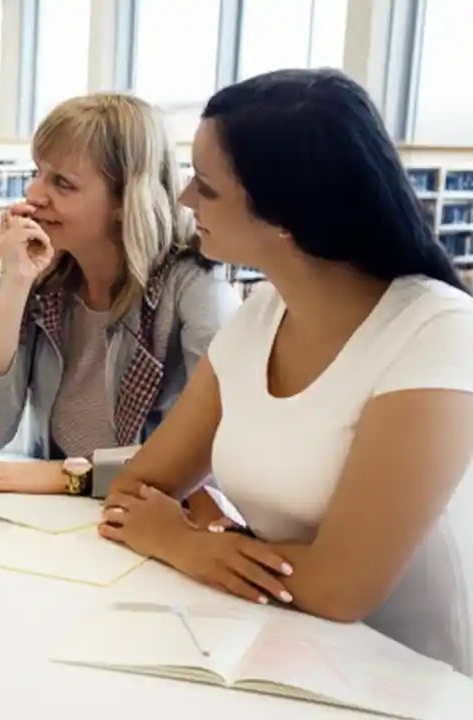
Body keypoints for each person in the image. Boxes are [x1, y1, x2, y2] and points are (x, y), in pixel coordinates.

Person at [98, 69, 473, 675]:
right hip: (284, 649)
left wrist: (186, 543)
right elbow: (136, 493)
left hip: (416, 677)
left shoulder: (439, 332)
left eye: (208, 187)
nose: (187, 201)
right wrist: (199, 539)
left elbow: (342, 588)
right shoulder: (258, 318)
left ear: (286, 216)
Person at [0, 93, 239, 517]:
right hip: (59, 520)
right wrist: (13, 287)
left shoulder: (197, 290)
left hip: (152, 522)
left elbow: (217, 453)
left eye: (62, 183)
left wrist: (67, 477)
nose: (33, 193)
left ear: (126, 200)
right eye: (38, 173)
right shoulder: (38, 273)